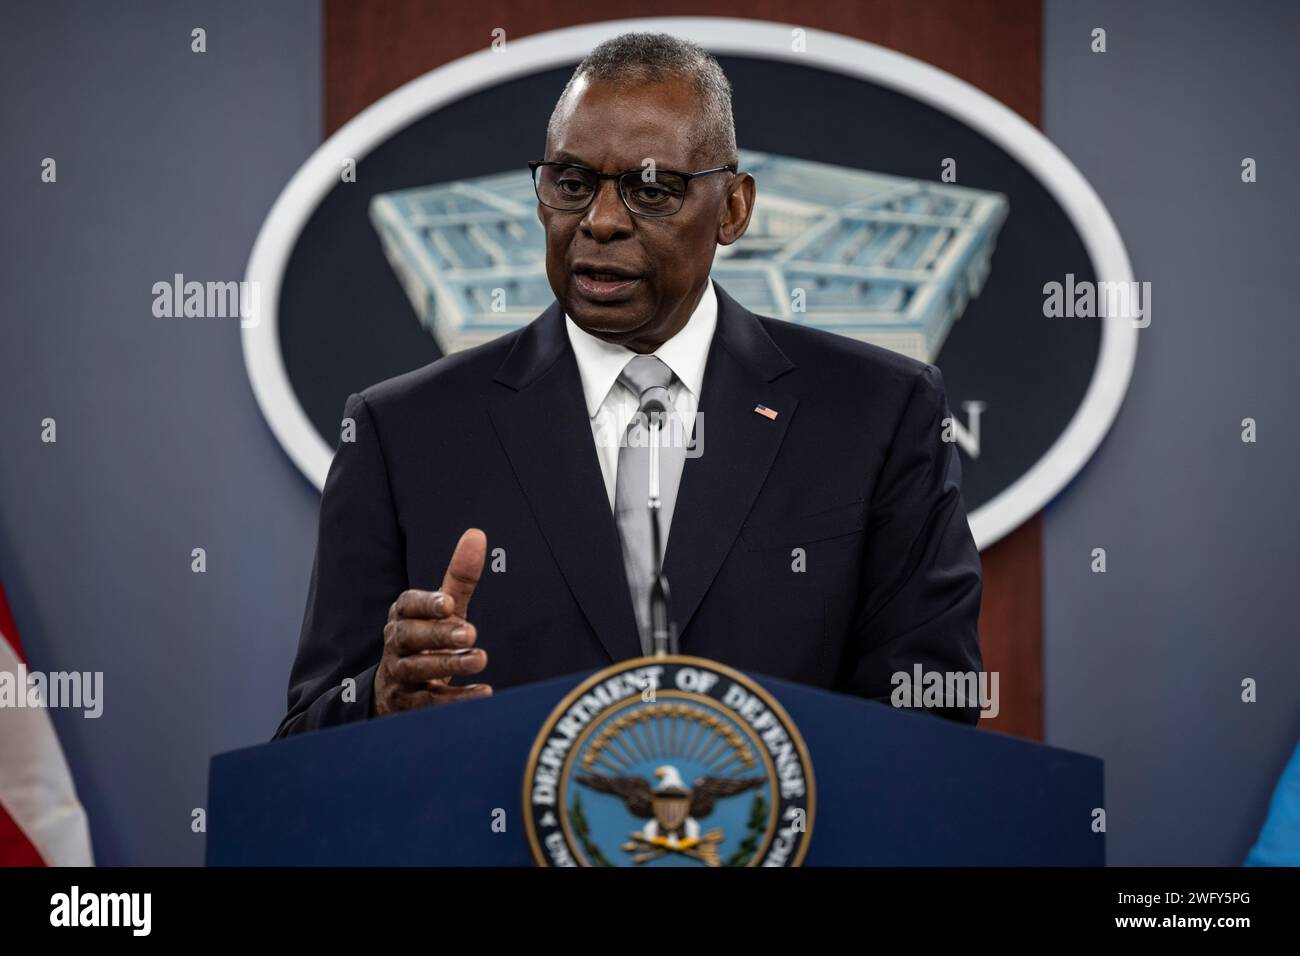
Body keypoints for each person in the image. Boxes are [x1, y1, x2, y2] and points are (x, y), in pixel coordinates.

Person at [275, 32, 983, 738]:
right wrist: (379, 702)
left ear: (733, 210)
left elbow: (932, 717)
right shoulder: (401, 433)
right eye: (571, 183)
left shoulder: (880, 414)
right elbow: (304, 742)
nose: (602, 221)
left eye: (651, 190)